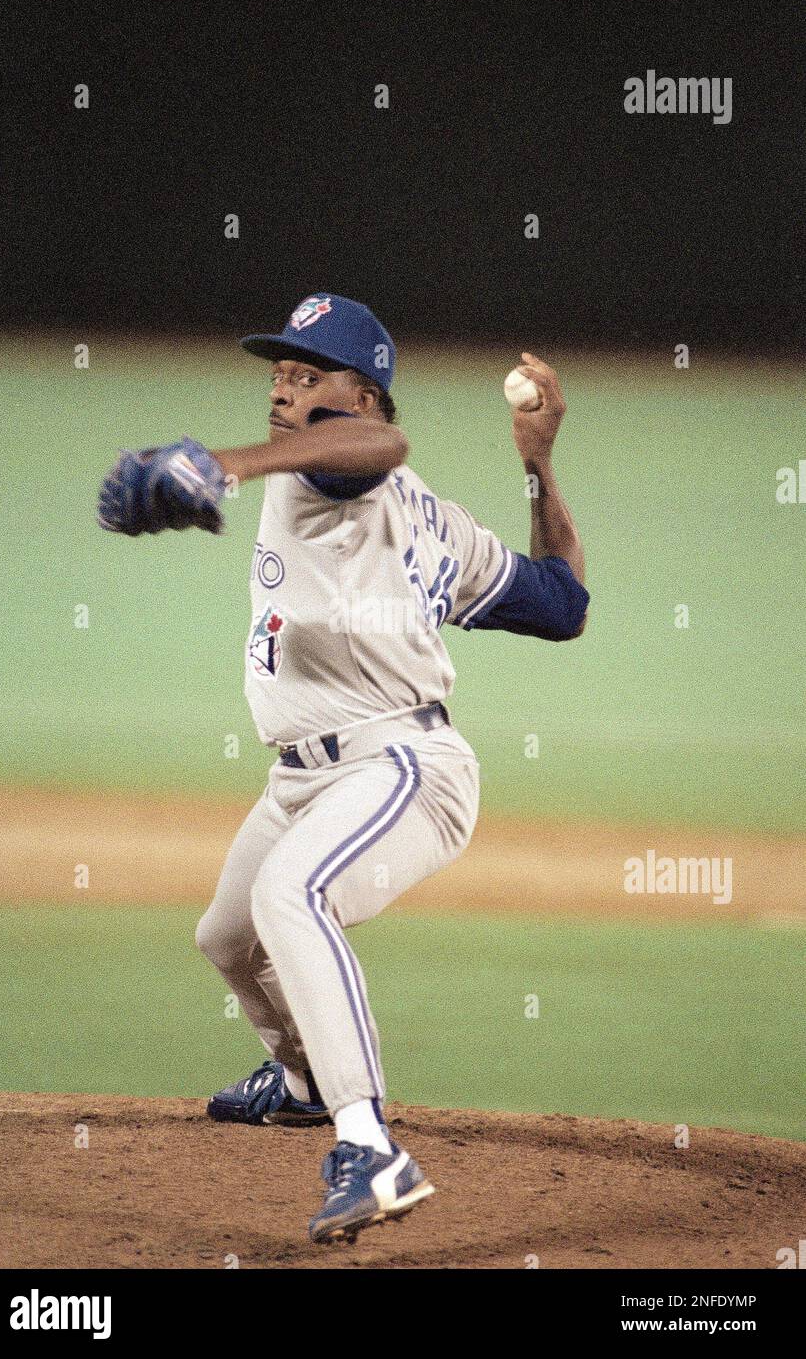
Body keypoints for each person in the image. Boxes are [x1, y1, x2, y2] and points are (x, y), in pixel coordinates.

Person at [97, 292, 589, 1243]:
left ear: (362, 397)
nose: (282, 390)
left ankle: (371, 1148)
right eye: (278, 372)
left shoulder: (345, 473)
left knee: (293, 896)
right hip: (305, 779)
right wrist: (536, 469)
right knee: (226, 938)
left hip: (404, 768)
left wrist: (540, 469)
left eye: (307, 374)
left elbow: (397, 464)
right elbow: (564, 602)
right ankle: (303, 1084)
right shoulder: (366, 489)